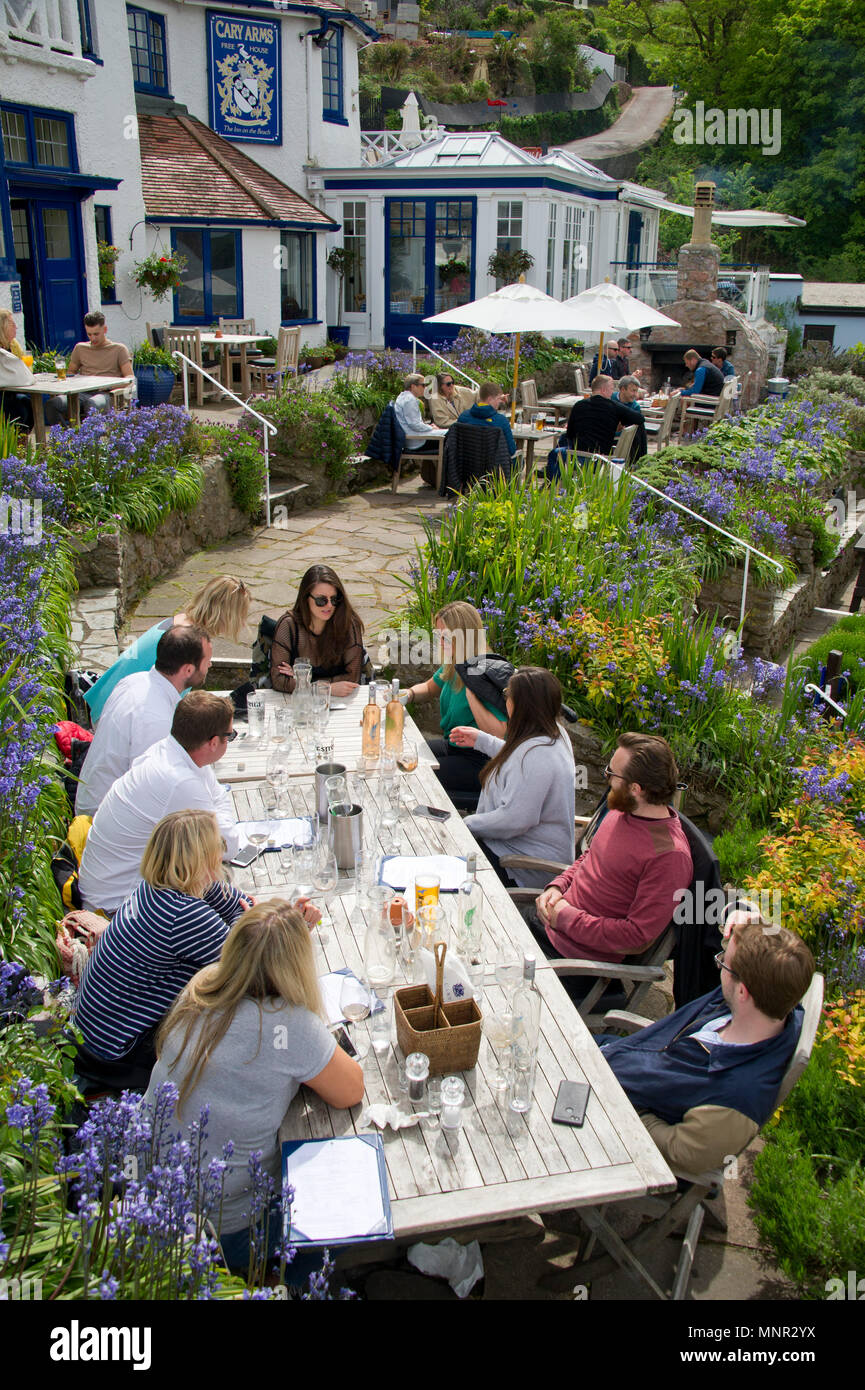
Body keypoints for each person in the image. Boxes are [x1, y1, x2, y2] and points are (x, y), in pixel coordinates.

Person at [144, 900, 365, 1274]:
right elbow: (351, 1090)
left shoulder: (202, 985)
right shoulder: (289, 1023)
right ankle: (290, 1279)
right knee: (354, 1197)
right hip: (222, 1233)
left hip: (148, 1198)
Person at [600, 913, 816, 1173]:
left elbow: (679, 1152)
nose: (719, 966)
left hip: (610, 1110)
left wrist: (622, 1106)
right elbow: (766, 952)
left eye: (724, 963)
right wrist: (740, 913)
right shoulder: (764, 1004)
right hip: (619, 1058)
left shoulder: (734, 1098)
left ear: (742, 991)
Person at [68, 810, 254, 1092]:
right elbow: (249, 965)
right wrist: (248, 922)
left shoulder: (155, 888)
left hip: (90, 1035)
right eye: (219, 848)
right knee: (243, 1015)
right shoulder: (181, 915)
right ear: (201, 860)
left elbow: (237, 907)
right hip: (117, 1054)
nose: (222, 856)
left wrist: (242, 917)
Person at [533, 732, 692, 965]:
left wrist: (567, 918)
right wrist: (558, 886)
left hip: (574, 960)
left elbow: (636, 937)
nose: (607, 778)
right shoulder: (621, 810)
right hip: (550, 924)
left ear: (635, 788)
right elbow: (589, 858)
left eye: (612, 773)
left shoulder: (669, 857)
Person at [78, 691, 241, 914]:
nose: (230, 741)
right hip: (116, 908)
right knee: (231, 898)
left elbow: (215, 791)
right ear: (213, 742)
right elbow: (227, 846)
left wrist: (215, 802)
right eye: (230, 736)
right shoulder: (179, 781)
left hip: (106, 888)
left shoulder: (168, 750)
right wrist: (218, 806)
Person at [451, 667, 575, 887]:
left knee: (448, 858)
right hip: (515, 848)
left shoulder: (538, 756)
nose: (505, 698)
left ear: (522, 706)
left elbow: (513, 820)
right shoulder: (553, 732)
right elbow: (516, 756)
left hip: (524, 865)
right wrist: (482, 740)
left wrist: (465, 823)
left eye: (508, 694)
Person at [75, 626, 212, 817]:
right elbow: (152, 793)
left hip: (96, 801)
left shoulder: (135, 681)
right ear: (188, 669)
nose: (210, 666)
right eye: (207, 661)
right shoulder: (156, 720)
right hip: (107, 817)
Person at [83, 575, 250, 723]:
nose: (242, 623)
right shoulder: (189, 642)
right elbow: (170, 709)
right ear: (227, 614)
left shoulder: (179, 622)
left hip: (105, 704)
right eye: (241, 614)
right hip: (114, 718)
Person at [404, 600, 508, 807]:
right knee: (405, 756)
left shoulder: (487, 671)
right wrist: (406, 695)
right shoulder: (455, 662)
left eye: (445, 637)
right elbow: (429, 688)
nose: (439, 642)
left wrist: (472, 692)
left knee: (416, 775)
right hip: (453, 746)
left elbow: (499, 733)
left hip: (480, 760)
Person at [269, 565, 364, 696]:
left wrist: (302, 682)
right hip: (300, 705)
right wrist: (328, 688)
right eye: (321, 600)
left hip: (342, 704)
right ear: (306, 598)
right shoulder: (289, 626)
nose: (329, 605)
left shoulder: (349, 624)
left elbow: (352, 677)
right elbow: (278, 680)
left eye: (334, 599)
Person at [43, 310, 133, 426]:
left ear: (104, 330)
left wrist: (109, 385)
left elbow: (130, 378)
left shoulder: (119, 349)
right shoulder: (80, 348)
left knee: (92, 404)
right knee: (52, 404)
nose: (93, 338)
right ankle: (67, 438)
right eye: (89, 334)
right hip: (82, 392)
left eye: (96, 334)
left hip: (107, 394)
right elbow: (71, 373)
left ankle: (90, 440)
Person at [562, 375, 646, 462]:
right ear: (603, 390)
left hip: (579, 457)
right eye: (611, 389)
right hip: (603, 460)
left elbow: (570, 434)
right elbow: (640, 419)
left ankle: (555, 475)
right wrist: (619, 425)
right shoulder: (614, 406)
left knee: (556, 451)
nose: (612, 392)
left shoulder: (578, 405)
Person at [457, 380, 517, 462]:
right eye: (498, 399)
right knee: (519, 461)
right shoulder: (501, 421)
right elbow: (511, 450)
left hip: (467, 465)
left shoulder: (463, 417)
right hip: (494, 470)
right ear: (489, 399)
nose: (500, 402)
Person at [0, 307, 33, 430]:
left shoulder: (13, 344)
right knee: (17, 407)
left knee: (25, 402)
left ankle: (21, 442)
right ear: (3, 327)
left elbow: (22, 368)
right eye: (12, 324)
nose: (16, 327)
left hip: (11, 391)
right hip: (3, 394)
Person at [393, 372, 440, 455]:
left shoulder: (403, 397)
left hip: (413, 437)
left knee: (451, 436)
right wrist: (431, 428)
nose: (425, 388)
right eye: (423, 385)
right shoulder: (410, 400)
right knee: (452, 435)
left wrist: (429, 426)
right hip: (416, 441)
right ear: (413, 386)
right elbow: (414, 424)